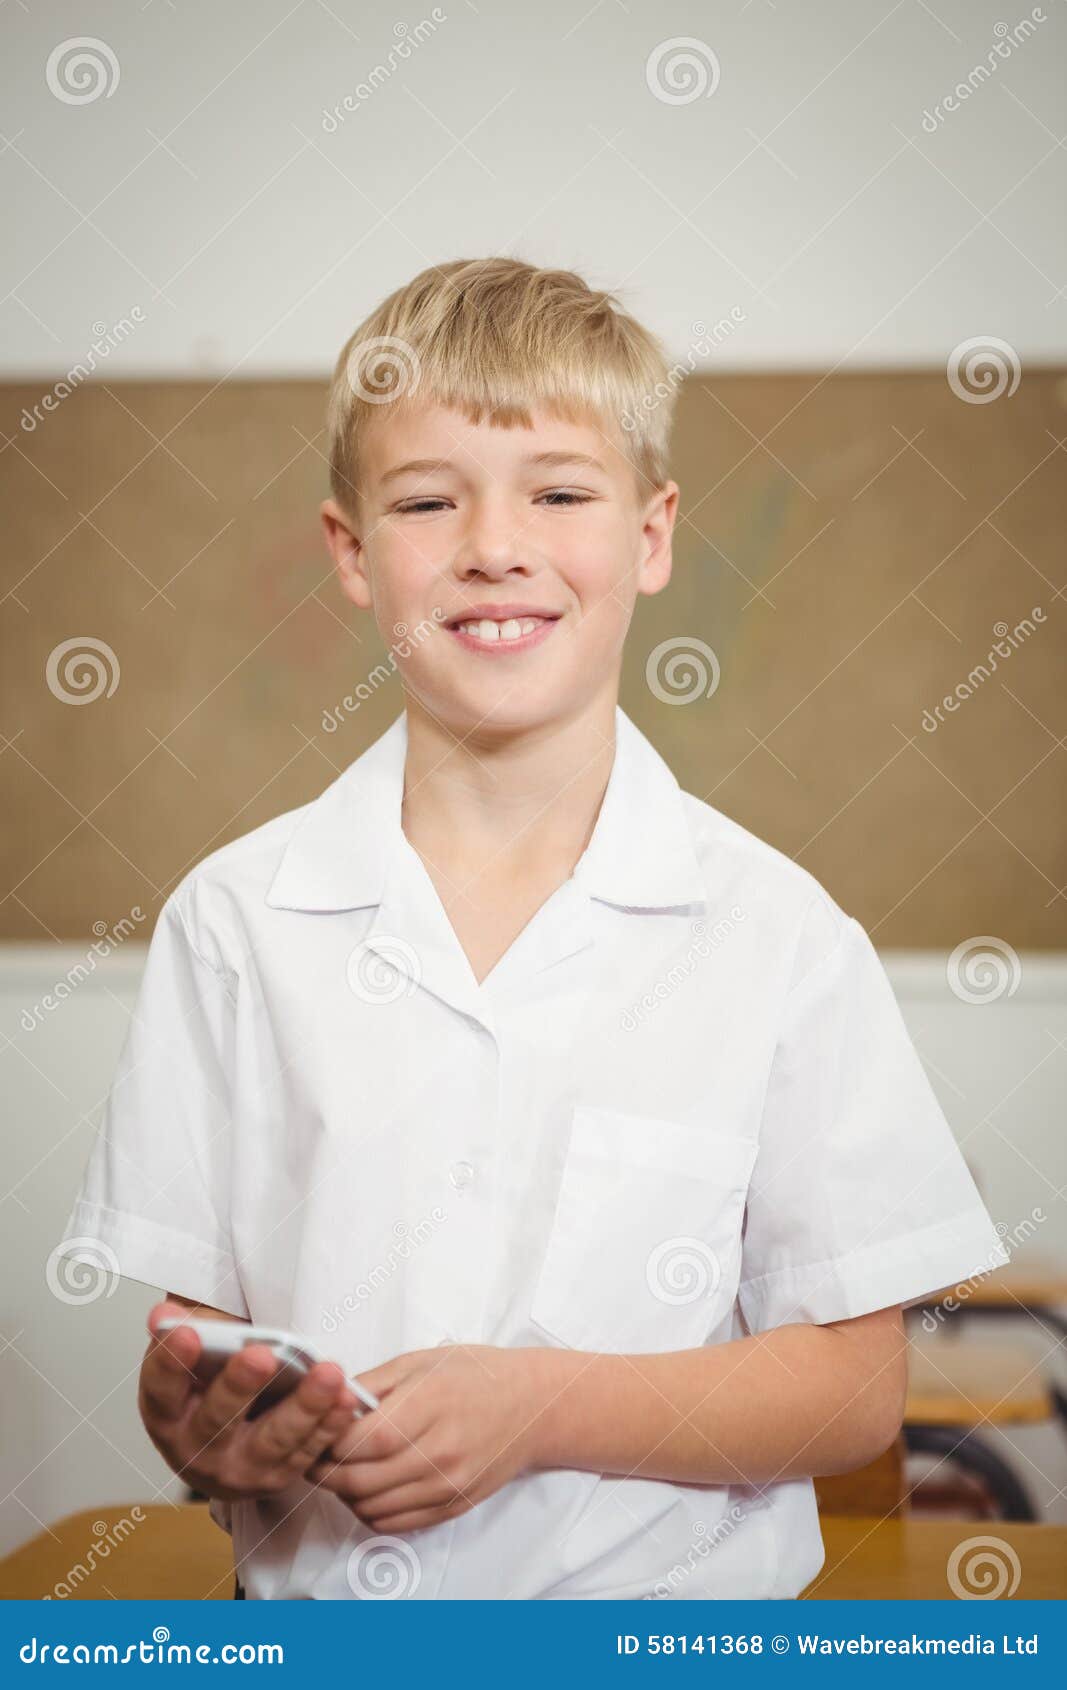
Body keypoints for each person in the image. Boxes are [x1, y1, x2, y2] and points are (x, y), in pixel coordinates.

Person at [56, 257, 1006, 1601]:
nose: (494, 544)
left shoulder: (780, 934)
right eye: (428, 500)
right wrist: (212, 1433)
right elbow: (203, 1345)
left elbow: (853, 1393)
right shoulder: (233, 923)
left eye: (559, 492)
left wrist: (541, 1408)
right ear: (350, 550)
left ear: (653, 535)